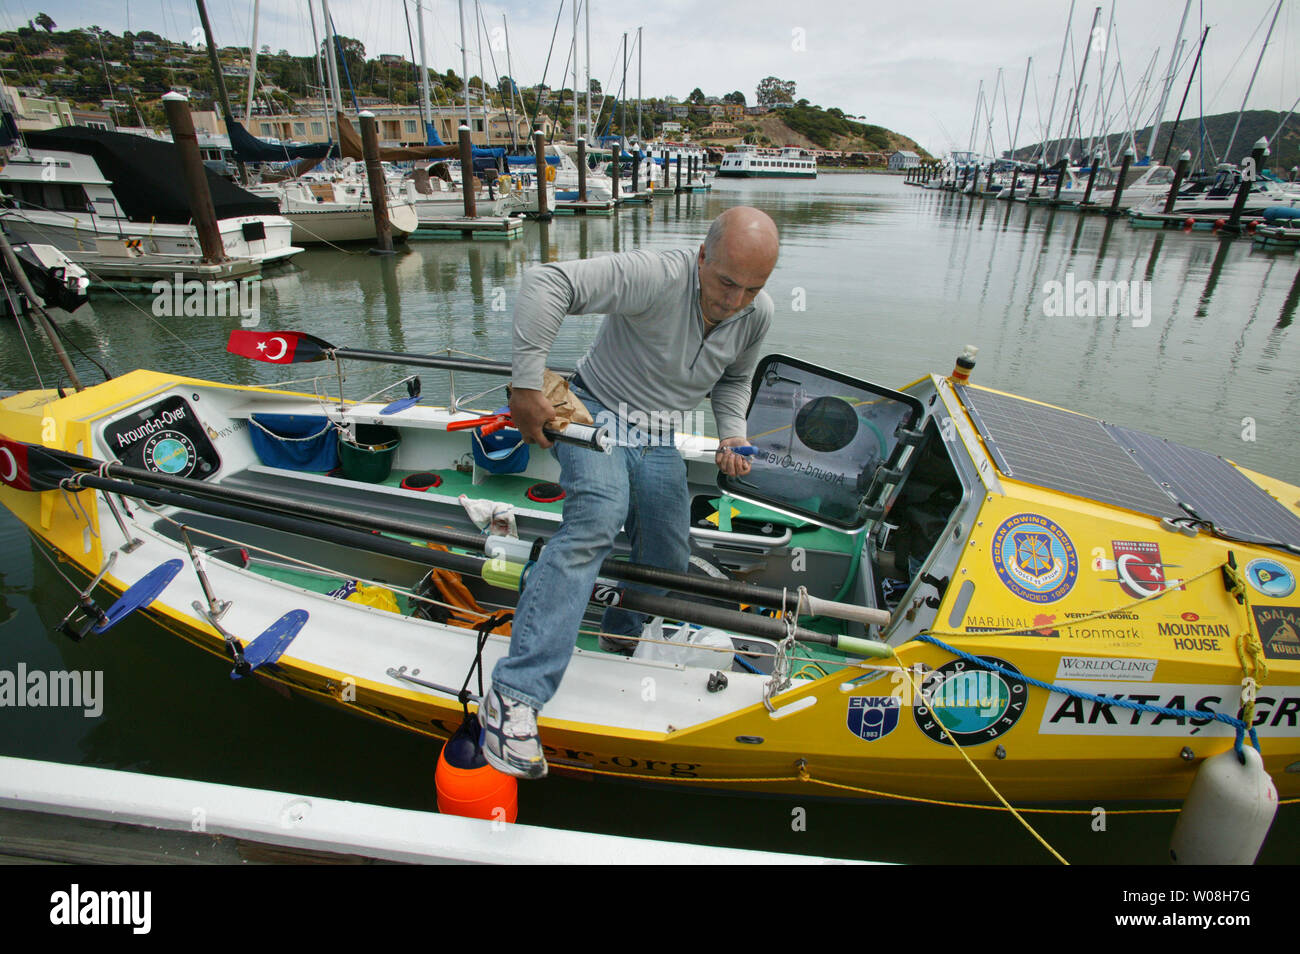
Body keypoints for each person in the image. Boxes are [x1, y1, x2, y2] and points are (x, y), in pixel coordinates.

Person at [479, 206, 781, 779]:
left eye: (752, 289)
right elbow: (547, 282)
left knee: (669, 550)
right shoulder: (659, 274)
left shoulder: (756, 313)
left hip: (660, 429)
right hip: (591, 405)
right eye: (725, 283)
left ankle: (623, 640)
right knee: (600, 513)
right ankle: (514, 695)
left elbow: (735, 379)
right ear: (701, 257)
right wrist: (524, 384)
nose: (735, 301)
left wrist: (733, 434)